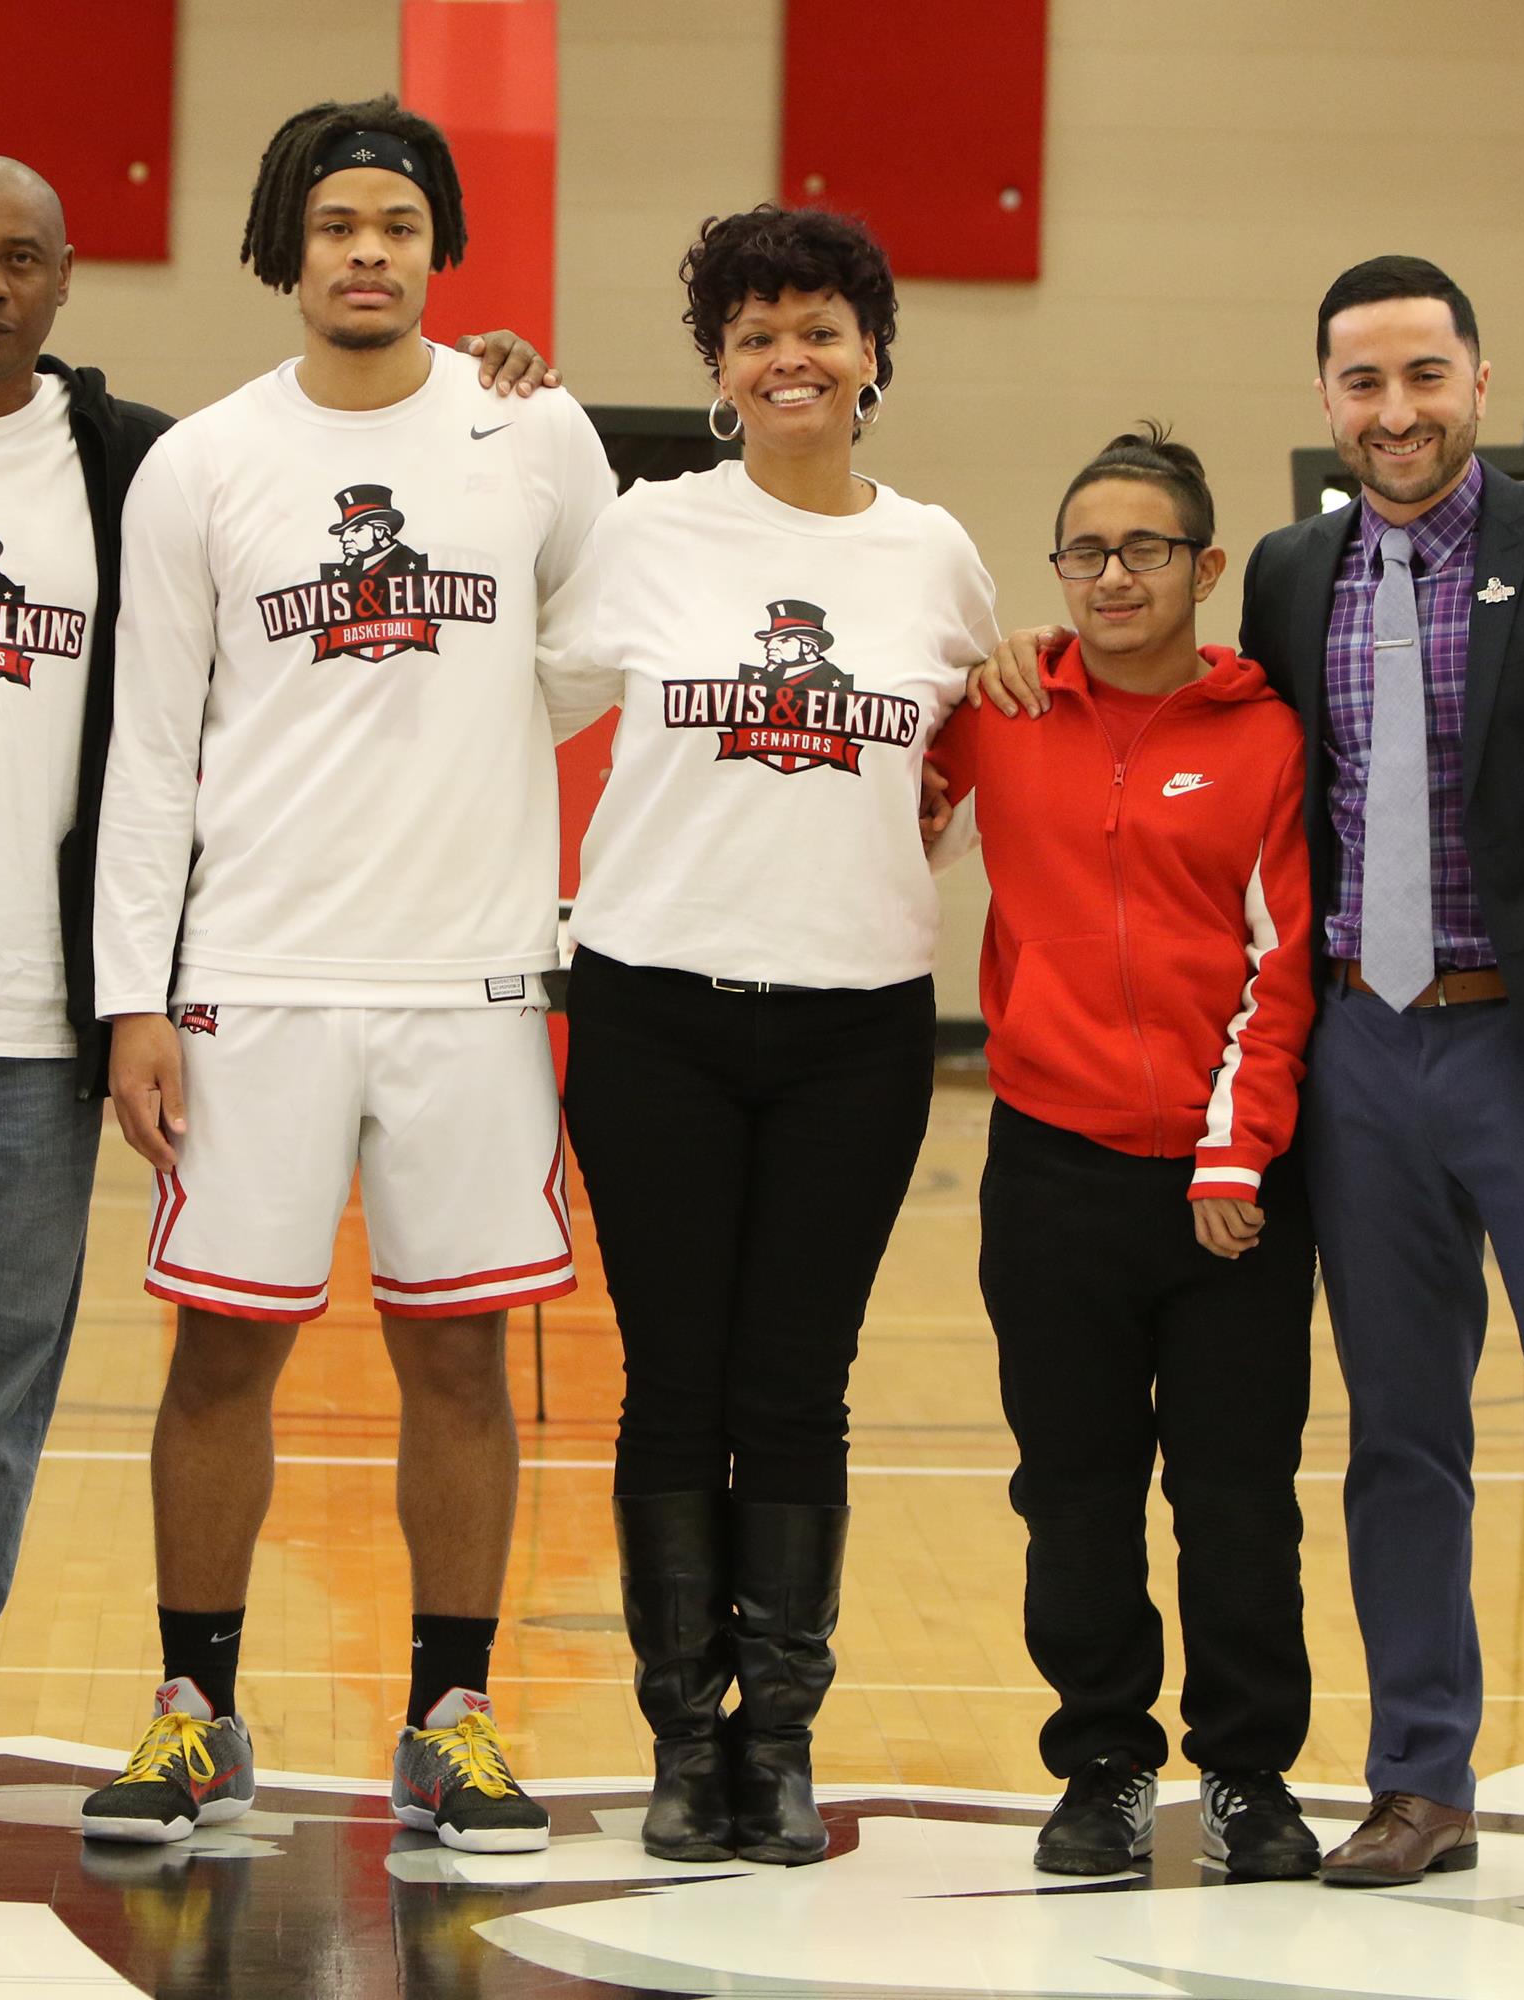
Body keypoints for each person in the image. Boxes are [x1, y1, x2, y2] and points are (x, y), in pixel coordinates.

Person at [0, 157, 555, 1860]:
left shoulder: (134, 463)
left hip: (28, 1031)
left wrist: (125, 993)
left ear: (69, 283)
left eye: (23, 260)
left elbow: (169, 741)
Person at [980, 256, 1524, 1915]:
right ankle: (1418, 1780)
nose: (1393, 411)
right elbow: (1194, 712)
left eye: (1422, 377)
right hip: (1360, 1057)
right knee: (1400, 1438)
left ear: (1475, 378)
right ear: (1325, 401)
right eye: (1360, 383)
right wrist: (1036, 657)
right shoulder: (1287, 569)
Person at [88, 96, 615, 1856]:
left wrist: (469, 739)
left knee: (459, 1362)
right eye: (335, 226)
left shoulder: (532, 436)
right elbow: (152, 748)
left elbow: (599, 652)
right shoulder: (202, 461)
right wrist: (135, 996)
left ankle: (449, 1716)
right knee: (221, 1358)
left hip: (468, 975)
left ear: (435, 242)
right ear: (286, 250)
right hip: (253, 971)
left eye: (396, 221)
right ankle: (195, 1710)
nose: (367, 251)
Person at [542, 205, 999, 1865]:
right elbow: (511, 704)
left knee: (800, 1386)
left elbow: (964, 761)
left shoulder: (937, 557)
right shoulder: (652, 532)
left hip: (857, 1023)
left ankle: (781, 1743)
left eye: (818, 326)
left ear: (872, 351)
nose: (789, 357)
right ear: (720, 372)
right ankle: (682, 1742)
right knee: (673, 1379)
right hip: (653, 1001)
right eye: (754, 335)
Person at [933, 428, 1319, 1881]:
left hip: (1230, 1196)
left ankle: (1245, 1778)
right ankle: (1101, 1766)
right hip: (1052, 1174)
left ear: (1207, 567)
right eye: (1085, 551)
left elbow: (1282, 970)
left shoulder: (1267, 739)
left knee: (1235, 1495)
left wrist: (1233, 1161)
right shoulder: (1003, 710)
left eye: (1146, 549)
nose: (1112, 575)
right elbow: (880, 799)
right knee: (1073, 1490)